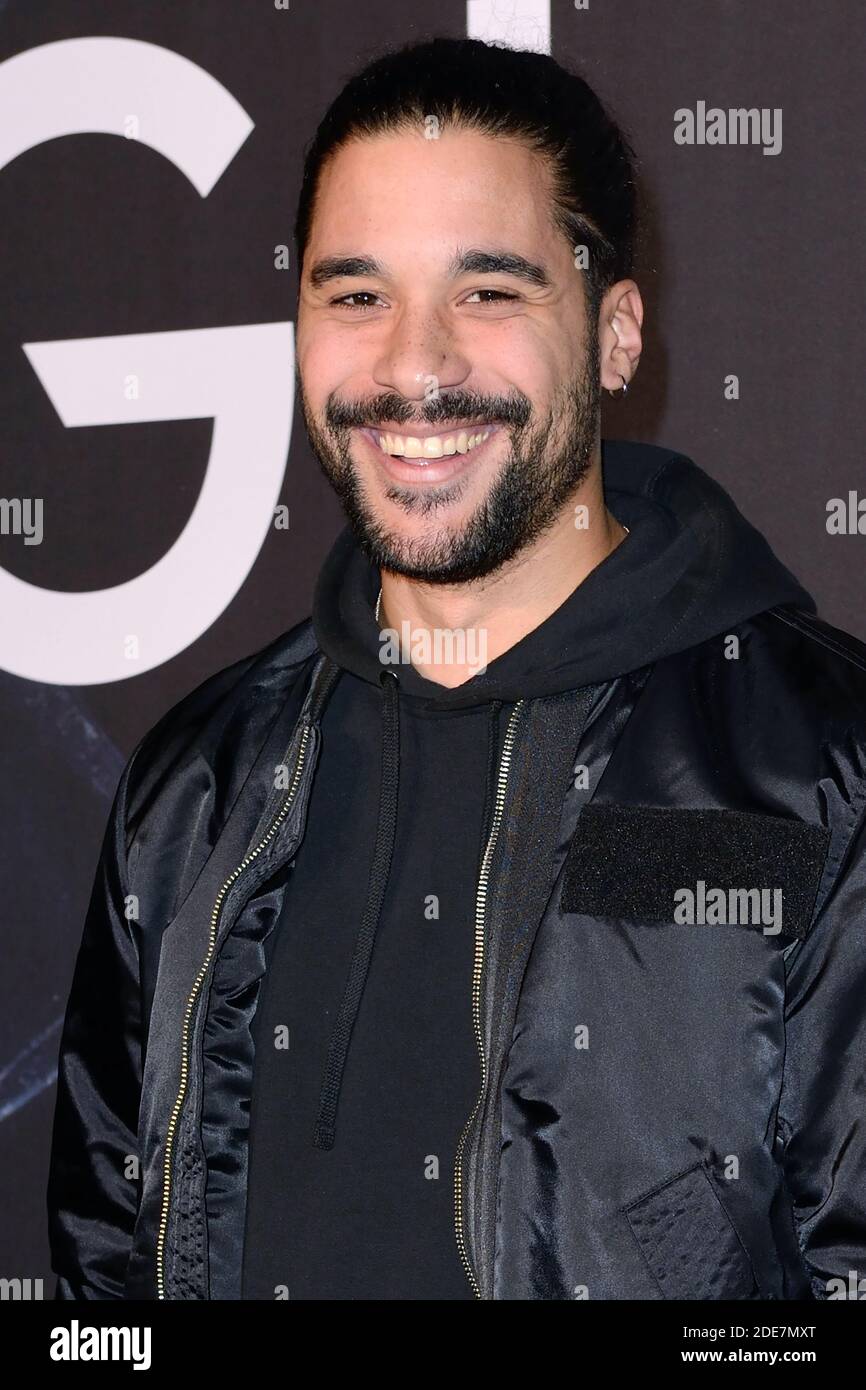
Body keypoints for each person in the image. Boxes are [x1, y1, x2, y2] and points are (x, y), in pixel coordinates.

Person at [48, 36, 866, 1302]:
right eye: (356, 295)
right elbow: (104, 1281)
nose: (412, 368)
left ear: (613, 333)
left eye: (486, 291)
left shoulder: (816, 767)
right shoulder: (195, 787)